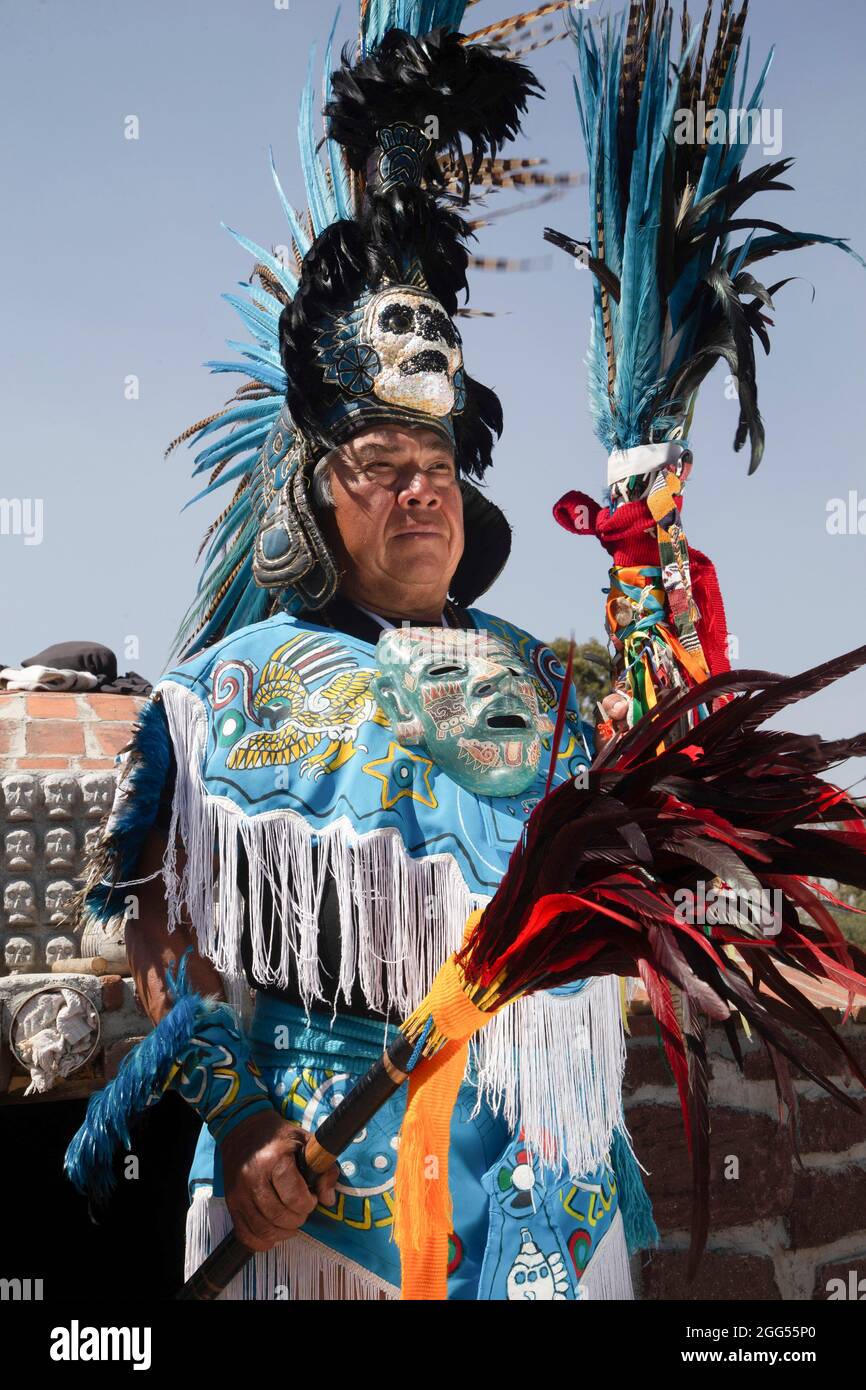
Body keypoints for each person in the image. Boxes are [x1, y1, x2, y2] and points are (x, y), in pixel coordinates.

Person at [70, 7, 653, 1301]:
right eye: (379, 466)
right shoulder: (211, 698)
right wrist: (237, 1118)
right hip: (321, 1204)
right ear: (315, 490)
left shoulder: (546, 693)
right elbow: (159, 928)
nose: (417, 492)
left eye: (436, 465)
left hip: (545, 1200)